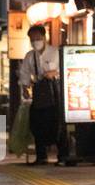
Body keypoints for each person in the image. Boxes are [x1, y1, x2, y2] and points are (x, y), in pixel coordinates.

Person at [18, 25, 64, 165]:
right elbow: (24, 73)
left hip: (55, 91)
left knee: (57, 123)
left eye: (38, 38)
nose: (35, 41)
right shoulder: (30, 55)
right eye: (32, 39)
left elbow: (64, 68)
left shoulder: (55, 52)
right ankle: (41, 156)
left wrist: (54, 73)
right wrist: (25, 88)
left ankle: (62, 156)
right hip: (39, 91)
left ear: (45, 37)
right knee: (37, 124)